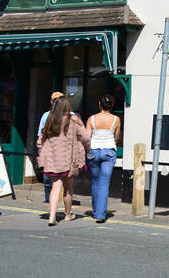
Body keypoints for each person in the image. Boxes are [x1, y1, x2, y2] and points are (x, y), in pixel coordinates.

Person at [37, 95, 91, 225]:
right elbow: (86, 138)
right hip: (69, 160)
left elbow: (40, 141)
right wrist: (87, 150)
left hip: (53, 160)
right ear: (67, 107)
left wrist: (41, 153)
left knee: (55, 187)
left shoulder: (50, 120)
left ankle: (52, 217)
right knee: (68, 188)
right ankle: (67, 214)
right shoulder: (75, 120)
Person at [86, 94, 122, 222]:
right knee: (104, 183)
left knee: (95, 182)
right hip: (109, 152)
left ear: (99, 104)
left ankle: (95, 212)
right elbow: (117, 137)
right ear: (111, 105)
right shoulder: (116, 120)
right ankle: (101, 215)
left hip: (93, 152)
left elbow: (87, 137)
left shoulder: (91, 119)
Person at [36, 91, 66, 203]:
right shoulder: (46, 115)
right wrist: (40, 153)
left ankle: (63, 203)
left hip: (63, 152)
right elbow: (41, 135)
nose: (56, 103)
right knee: (48, 180)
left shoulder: (71, 116)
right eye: (54, 100)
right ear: (51, 102)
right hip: (49, 151)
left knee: (64, 181)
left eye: (59, 100)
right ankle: (48, 201)